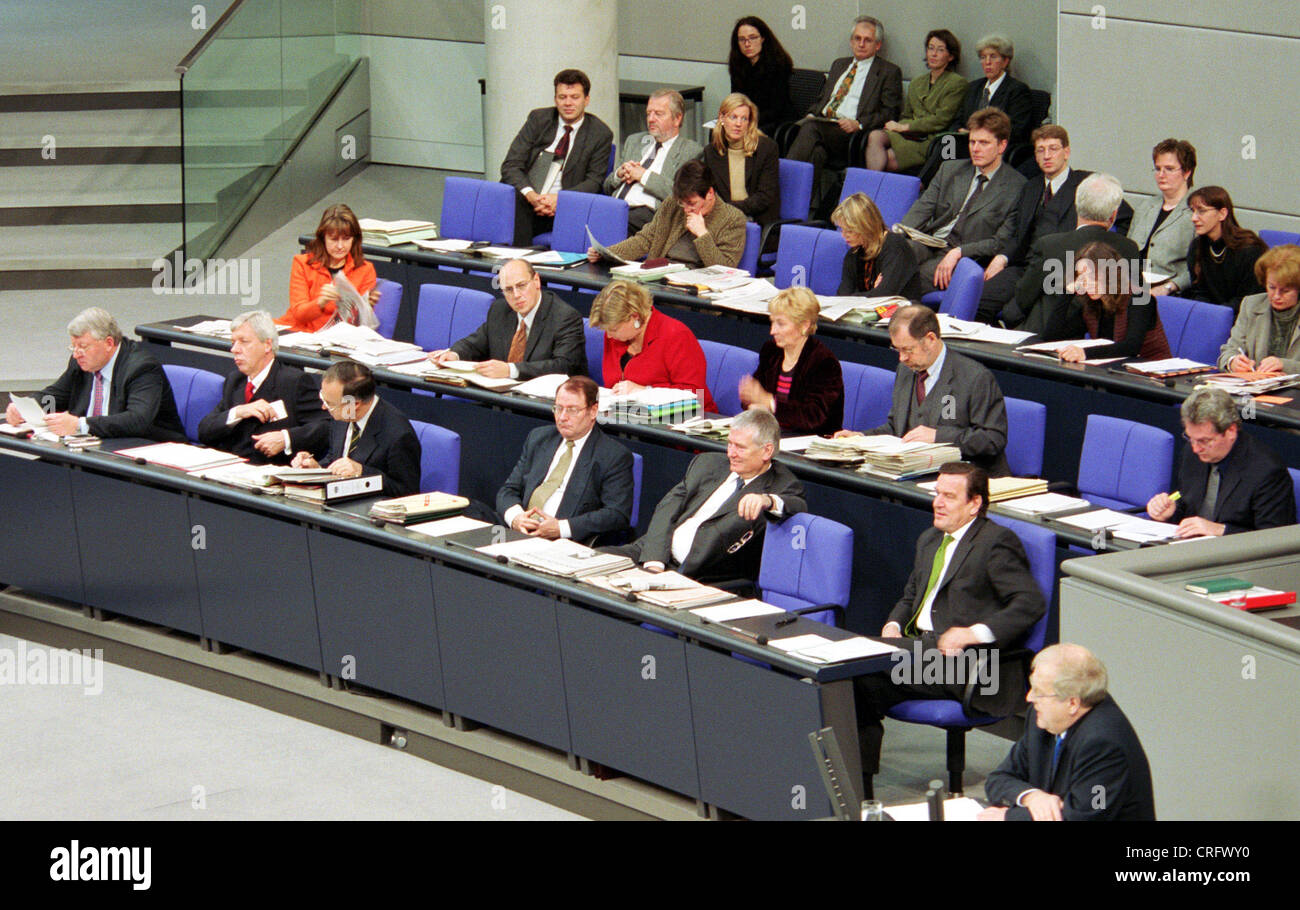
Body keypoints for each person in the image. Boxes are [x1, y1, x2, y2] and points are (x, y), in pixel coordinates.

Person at [853, 462, 1045, 793]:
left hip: (973, 668)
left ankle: (858, 789)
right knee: (854, 682)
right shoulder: (930, 539)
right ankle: (859, 790)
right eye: (936, 493)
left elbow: (1030, 604)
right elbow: (911, 595)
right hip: (921, 657)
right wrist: (894, 622)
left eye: (949, 496)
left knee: (855, 666)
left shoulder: (996, 542)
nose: (937, 502)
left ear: (975, 503)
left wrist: (973, 633)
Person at [608, 408, 805, 584]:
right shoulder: (707, 463)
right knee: (587, 566)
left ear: (766, 451)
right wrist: (654, 562)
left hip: (698, 577)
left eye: (740, 447)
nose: (731, 453)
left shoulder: (782, 483)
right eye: (729, 444)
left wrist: (767, 500)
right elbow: (667, 509)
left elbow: (796, 505)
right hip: (653, 554)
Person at [979, 643, 1156, 821]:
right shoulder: (1041, 718)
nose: (1029, 698)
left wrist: (1008, 818)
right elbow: (999, 778)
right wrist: (1032, 797)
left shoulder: (1104, 744)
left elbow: (1089, 814)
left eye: (1039, 692)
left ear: (1072, 703)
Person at [979, 125, 1134, 323]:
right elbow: (1019, 235)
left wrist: (1099, 252)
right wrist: (1002, 257)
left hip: (1063, 268)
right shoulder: (1031, 187)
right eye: (1040, 150)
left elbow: (1122, 214)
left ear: (1066, 152)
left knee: (1027, 312)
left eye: (1053, 149)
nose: (1047, 156)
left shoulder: (1086, 183)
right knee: (981, 301)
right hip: (1026, 266)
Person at [839, 304, 1009, 474]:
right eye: (897, 349)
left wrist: (938, 437)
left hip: (966, 477)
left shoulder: (975, 377)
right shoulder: (905, 370)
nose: (902, 358)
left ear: (930, 340)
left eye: (908, 349)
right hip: (918, 472)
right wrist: (860, 439)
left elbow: (993, 439)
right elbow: (896, 428)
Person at [896, 107, 1026, 296]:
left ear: (1001, 146)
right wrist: (897, 235)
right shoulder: (950, 169)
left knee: (913, 278)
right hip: (932, 241)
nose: (975, 148)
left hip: (967, 254)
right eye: (972, 141)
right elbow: (922, 208)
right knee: (894, 256)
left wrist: (959, 252)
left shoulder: (1017, 186)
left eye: (983, 143)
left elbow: (1000, 241)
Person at [7, 307, 186, 442]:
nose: (76, 353)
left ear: (108, 343)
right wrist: (26, 407)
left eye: (83, 347)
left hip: (147, 449)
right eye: (73, 347)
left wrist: (80, 425)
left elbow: (137, 420)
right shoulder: (81, 362)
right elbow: (56, 395)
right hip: (96, 446)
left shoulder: (141, 368)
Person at [497, 376, 634, 542]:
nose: (562, 417)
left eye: (572, 410)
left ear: (593, 411)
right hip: (519, 531)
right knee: (470, 511)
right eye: (558, 408)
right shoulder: (539, 438)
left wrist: (561, 528)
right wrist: (516, 518)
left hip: (563, 541)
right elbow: (508, 490)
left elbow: (616, 514)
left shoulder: (613, 455)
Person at [1145, 387, 1295, 537]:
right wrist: (1171, 512)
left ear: (1230, 431)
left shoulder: (1267, 471)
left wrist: (1220, 530)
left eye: (1204, 441)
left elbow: (1273, 539)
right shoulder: (1191, 453)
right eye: (1190, 438)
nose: (1196, 448)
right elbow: (1188, 504)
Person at [786, 15, 902, 208]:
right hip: (822, 125)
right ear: (851, 41)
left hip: (850, 133)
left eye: (868, 40)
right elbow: (823, 100)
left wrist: (860, 123)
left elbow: (890, 113)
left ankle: (785, 186)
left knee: (809, 129)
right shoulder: (839, 64)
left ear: (878, 45)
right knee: (816, 152)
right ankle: (797, 210)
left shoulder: (888, 72)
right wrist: (812, 113)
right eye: (857, 39)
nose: (861, 44)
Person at [1013, 172, 1144, 334]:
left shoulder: (1049, 245)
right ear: (1114, 215)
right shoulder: (1129, 248)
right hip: (1104, 342)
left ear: (1076, 205)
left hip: (1047, 338)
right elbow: (1137, 302)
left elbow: (1023, 298)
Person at [195, 310, 330, 464]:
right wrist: (238, 412)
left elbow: (325, 427)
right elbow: (205, 431)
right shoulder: (235, 380)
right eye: (233, 343)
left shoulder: (294, 381)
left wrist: (285, 438)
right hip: (233, 466)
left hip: (271, 469)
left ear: (267, 345)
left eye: (243, 342)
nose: (234, 349)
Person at [499, 68, 615, 246]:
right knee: (509, 203)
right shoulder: (539, 119)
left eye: (574, 97)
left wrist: (559, 199)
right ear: (555, 100)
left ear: (587, 100)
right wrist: (531, 195)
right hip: (525, 200)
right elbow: (511, 165)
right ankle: (517, 263)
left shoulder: (600, 133)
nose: (568, 103)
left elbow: (594, 181)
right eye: (562, 97)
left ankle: (520, 263)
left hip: (564, 207)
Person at [426, 258, 585, 380]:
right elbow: (476, 343)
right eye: (508, 289)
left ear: (536, 281)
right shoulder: (500, 310)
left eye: (521, 285)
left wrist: (511, 370)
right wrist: (454, 354)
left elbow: (564, 366)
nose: (516, 295)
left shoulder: (564, 317)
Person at [290, 360, 421, 497]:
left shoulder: (398, 434)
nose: (324, 408)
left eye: (330, 404)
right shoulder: (343, 416)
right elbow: (335, 458)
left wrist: (362, 472)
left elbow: (407, 491)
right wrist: (316, 468)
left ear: (355, 404)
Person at [915, 34, 1033, 185]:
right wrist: (959, 131)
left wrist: (977, 134)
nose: (987, 62)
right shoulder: (974, 87)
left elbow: (1017, 129)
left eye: (993, 57)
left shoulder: (1017, 90)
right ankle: (927, 185)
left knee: (950, 145)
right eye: (983, 58)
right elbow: (959, 119)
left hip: (993, 145)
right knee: (946, 141)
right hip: (967, 142)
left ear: (1005, 61)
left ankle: (920, 185)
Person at [586, 280, 718, 412]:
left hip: (684, 417)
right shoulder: (615, 337)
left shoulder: (676, 335)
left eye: (614, 329)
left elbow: (694, 393)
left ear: (635, 317)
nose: (608, 335)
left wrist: (644, 391)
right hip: (632, 417)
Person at [589, 159, 745, 269]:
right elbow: (644, 240)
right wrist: (607, 253)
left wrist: (702, 235)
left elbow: (725, 270)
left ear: (710, 193)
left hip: (695, 289)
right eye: (681, 203)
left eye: (691, 203)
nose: (686, 210)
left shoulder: (732, 219)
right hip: (659, 275)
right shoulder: (672, 204)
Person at [738, 286, 844, 435]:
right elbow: (754, 399)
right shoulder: (771, 351)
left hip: (809, 444)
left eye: (780, 324)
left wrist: (770, 403)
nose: (772, 331)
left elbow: (813, 417)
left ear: (804, 325)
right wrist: (751, 399)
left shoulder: (823, 362)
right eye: (772, 322)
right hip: (770, 436)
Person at [1049, 241, 1172, 362]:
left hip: (1150, 373)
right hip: (1112, 371)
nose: (1087, 284)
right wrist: (1068, 293)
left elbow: (1131, 347)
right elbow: (1053, 335)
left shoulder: (1140, 299)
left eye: (1093, 277)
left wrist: (1084, 353)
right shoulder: (1092, 303)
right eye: (1082, 277)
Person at [864, 29, 966, 174]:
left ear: (950, 56)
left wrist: (905, 127)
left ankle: (870, 191)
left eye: (940, 50)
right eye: (930, 48)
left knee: (888, 159)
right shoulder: (917, 82)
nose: (933, 54)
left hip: (930, 139)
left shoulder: (957, 83)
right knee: (874, 135)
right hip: (908, 134)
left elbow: (941, 120)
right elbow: (906, 114)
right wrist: (897, 126)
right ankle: (871, 189)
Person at [603, 90, 703, 232]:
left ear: (677, 119)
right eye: (649, 113)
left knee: (610, 223)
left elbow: (681, 195)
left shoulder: (691, 151)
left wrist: (643, 176)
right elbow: (606, 188)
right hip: (614, 208)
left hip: (649, 215)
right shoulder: (634, 141)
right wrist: (619, 174)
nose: (651, 119)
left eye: (658, 114)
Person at [276, 204, 379, 333]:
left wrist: (366, 307)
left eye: (346, 239)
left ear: (355, 239)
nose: (340, 246)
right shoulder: (302, 263)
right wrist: (321, 302)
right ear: (323, 238)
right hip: (299, 332)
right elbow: (299, 314)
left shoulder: (366, 269)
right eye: (334, 239)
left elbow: (363, 325)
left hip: (340, 337)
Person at [1126, 138, 1196, 297]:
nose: (1161, 175)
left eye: (1169, 169)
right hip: (1132, 285)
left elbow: (1198, 267)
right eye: (1158, 169)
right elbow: (1128, 247)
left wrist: (1170, 287)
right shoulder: (1146, 206)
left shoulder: (1195, 212)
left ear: (1187, 172)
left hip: (1169, 292)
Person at [700, 93, 781, 228]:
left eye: (744, 119)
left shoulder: (766, 149)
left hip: (755, 217)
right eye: (733, 117)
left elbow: (764, 197)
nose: (738, 124)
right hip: (723, 215)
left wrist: (728, 210)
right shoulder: (711, 152)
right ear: (722, 118)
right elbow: (711, 191)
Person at [1218, 244, 1300, 374]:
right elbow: (1229, 350)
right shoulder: (1251, 305)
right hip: (1254, 387)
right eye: (1271, 287)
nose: (1276, 296)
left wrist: (1285, 365)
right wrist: (1233, 361)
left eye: (1285, 291)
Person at [1184, 186, 1266, 313]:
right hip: (1209, 315)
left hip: (1242, 319)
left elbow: (1249, 299)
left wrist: (1217, 316)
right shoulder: (1197, 246)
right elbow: (1199, 291)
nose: (1193, 218)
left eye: (1201, 211)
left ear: (1222, 214)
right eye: (1192, 211)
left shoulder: (1250, 249)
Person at [832, 191, 921, 299]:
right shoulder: (853, 254)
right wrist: (873, 292)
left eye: (850, 231)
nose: (844, 235)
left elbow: (884, 295)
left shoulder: (895, 246)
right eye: (842, 229)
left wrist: (872, 293)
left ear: (866, 226)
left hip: (900, 311)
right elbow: (842, 296)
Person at [727, 16, 794, 136]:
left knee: (746, 134)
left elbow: (776, 108)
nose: (747, 44)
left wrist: (746, 120)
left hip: (773, 121)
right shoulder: (738, 65)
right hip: (746, 118)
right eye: (742, 40)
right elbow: (737, 99)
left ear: (763, 38)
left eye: (752, 38)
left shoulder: (777, 65)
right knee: (718, 131)